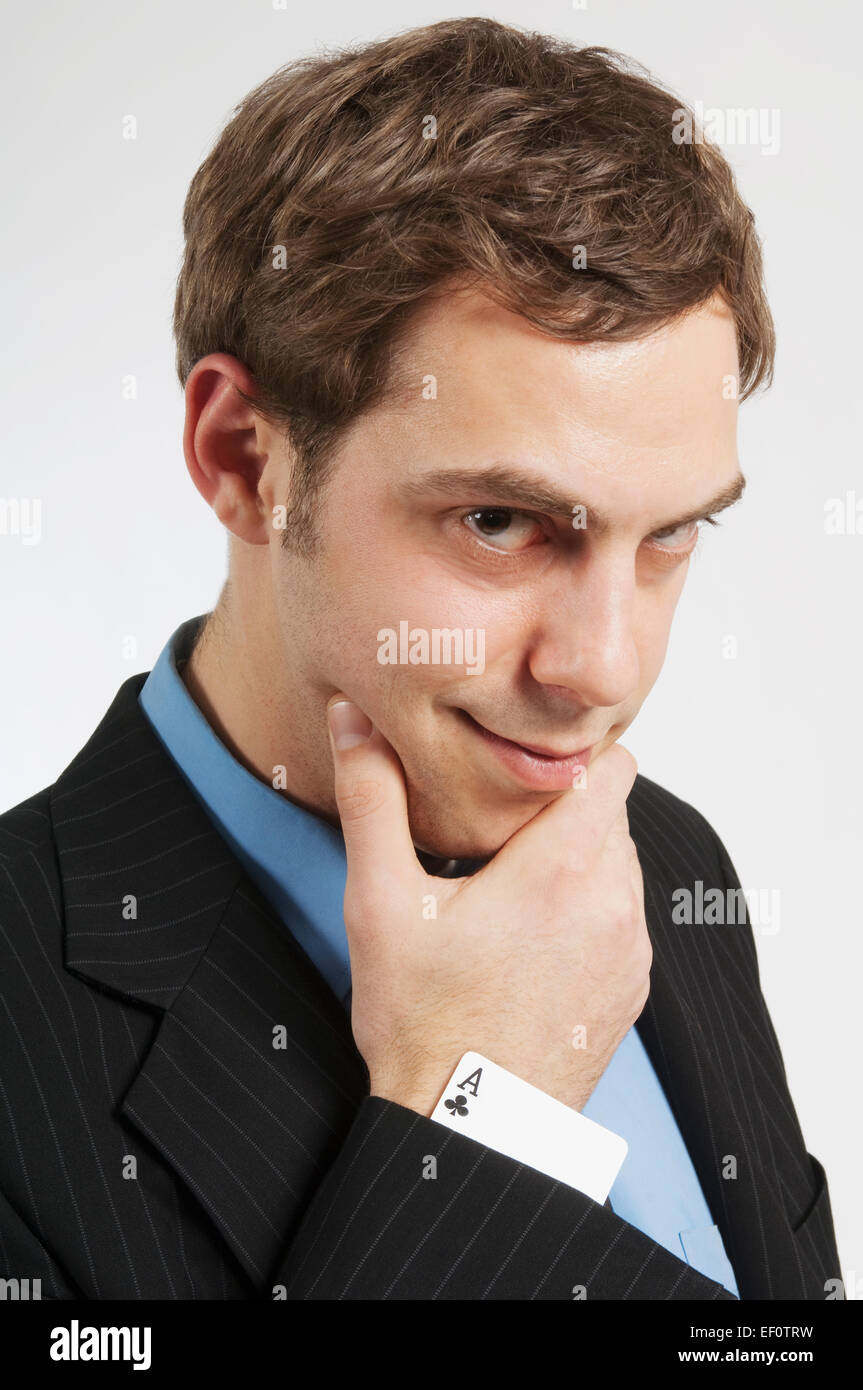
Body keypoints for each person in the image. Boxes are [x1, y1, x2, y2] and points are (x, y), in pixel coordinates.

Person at [0, 16, 840, 1300]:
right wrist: (478, 1117)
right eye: (499, 522)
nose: (602, 671)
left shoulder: (662, 864)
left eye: (669, 533)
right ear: (244, 460)